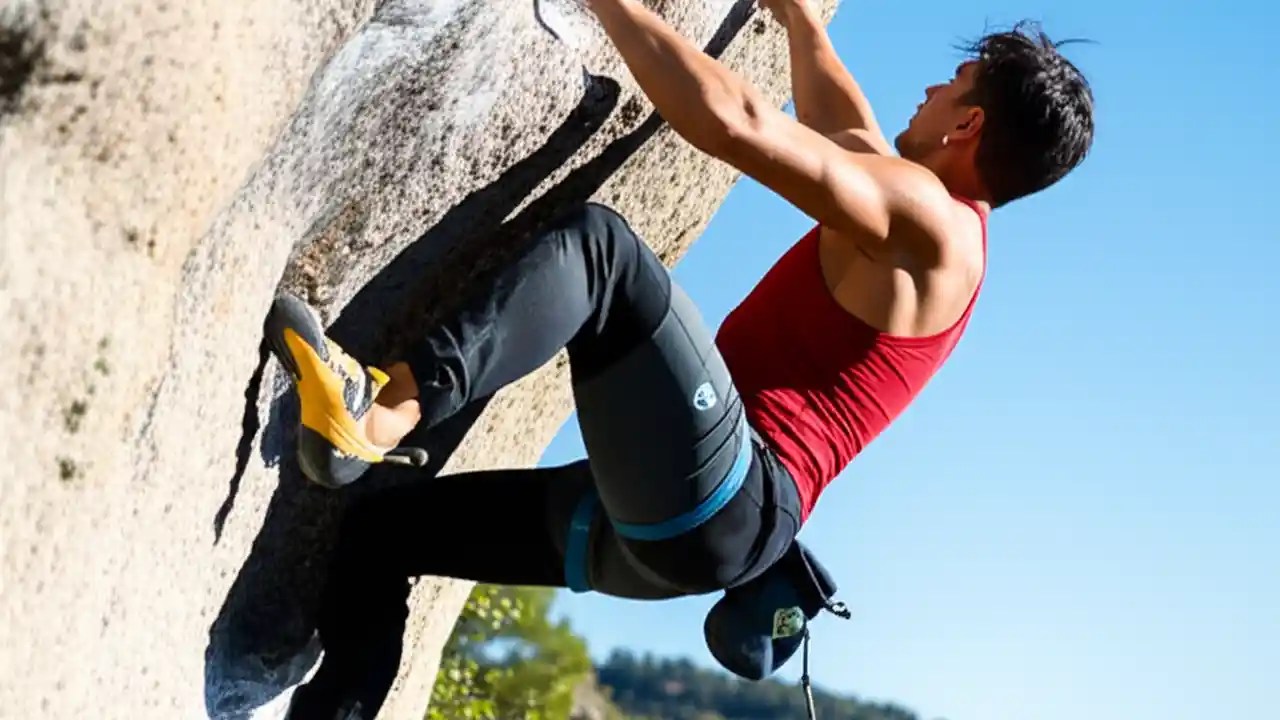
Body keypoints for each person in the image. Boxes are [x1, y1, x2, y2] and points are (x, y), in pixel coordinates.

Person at [263, 0, 1095, 716]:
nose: (928, 88)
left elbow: (738, 123)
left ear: (968, 123)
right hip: (676, 535)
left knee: (603, 252)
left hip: (727, 494)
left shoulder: (932, 219)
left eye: (951, 83)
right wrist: (803, 24)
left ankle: (380, 410)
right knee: (382, 536)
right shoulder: (938, 234)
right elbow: (843, 131)